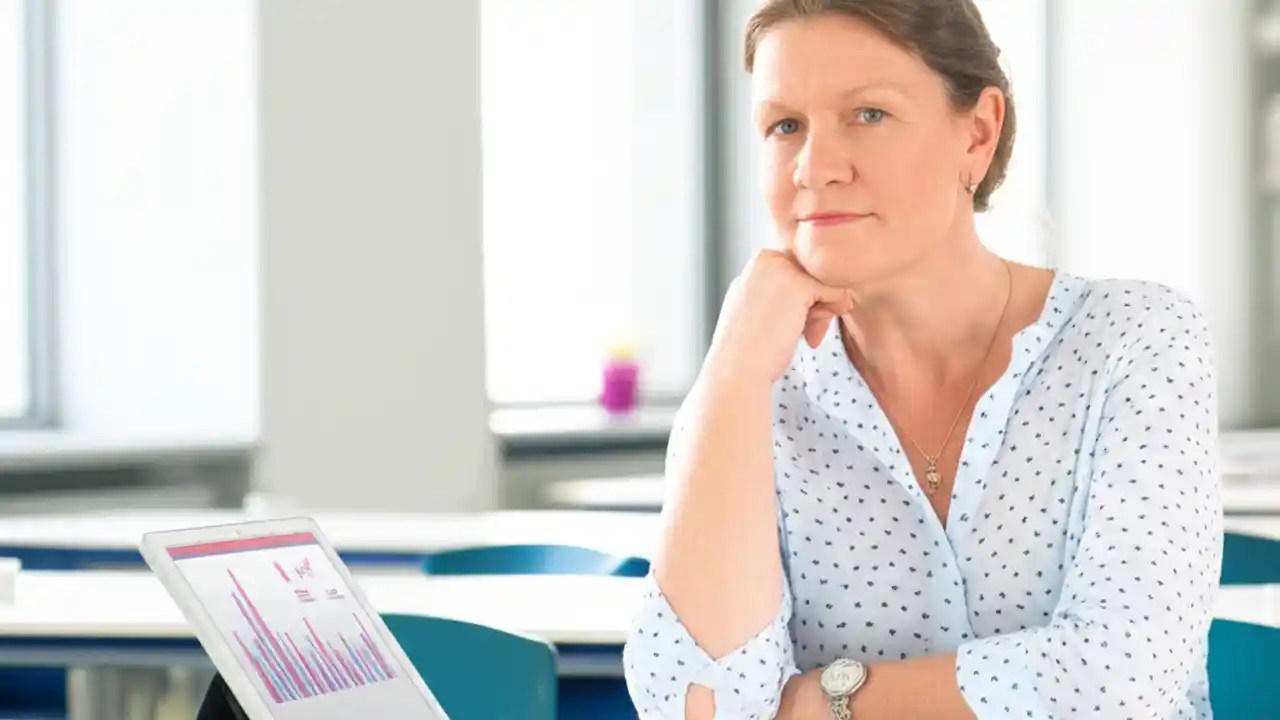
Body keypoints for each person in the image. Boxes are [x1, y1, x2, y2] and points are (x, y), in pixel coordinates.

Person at [623, 1, 1222, 718]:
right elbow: (702, 709)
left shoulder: (1137, 340)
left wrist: (820, 703)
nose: (815, 168)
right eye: (785, 126)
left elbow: (1116, 686)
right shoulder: (752, 393)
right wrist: (732, 377)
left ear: (978, 132)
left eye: (867, 114)